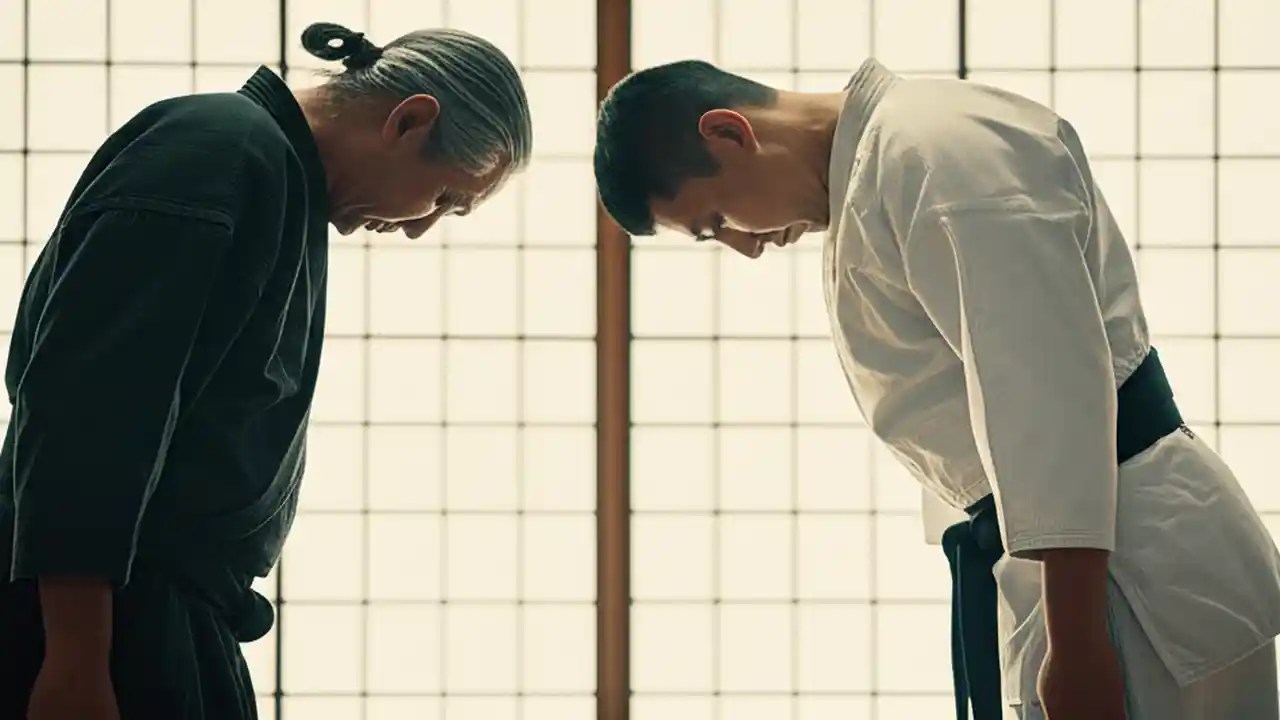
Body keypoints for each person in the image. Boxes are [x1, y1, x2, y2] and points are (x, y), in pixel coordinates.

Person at [593, 59, 1280, 719]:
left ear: (727, 132)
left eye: (716, 222)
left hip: (1124, 575)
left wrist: (1077, 644)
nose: (745, 247)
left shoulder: (929, 149)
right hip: (1084, 567)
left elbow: (1050, 390)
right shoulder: (881, 172)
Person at [0, 22, 531, 720]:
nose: (417, 227)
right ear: (409, 121)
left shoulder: (275, 180)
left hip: (164, 619)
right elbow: (88, 411)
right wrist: (75, 659)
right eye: (442, 200)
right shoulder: (218, 149)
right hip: (103, 623)